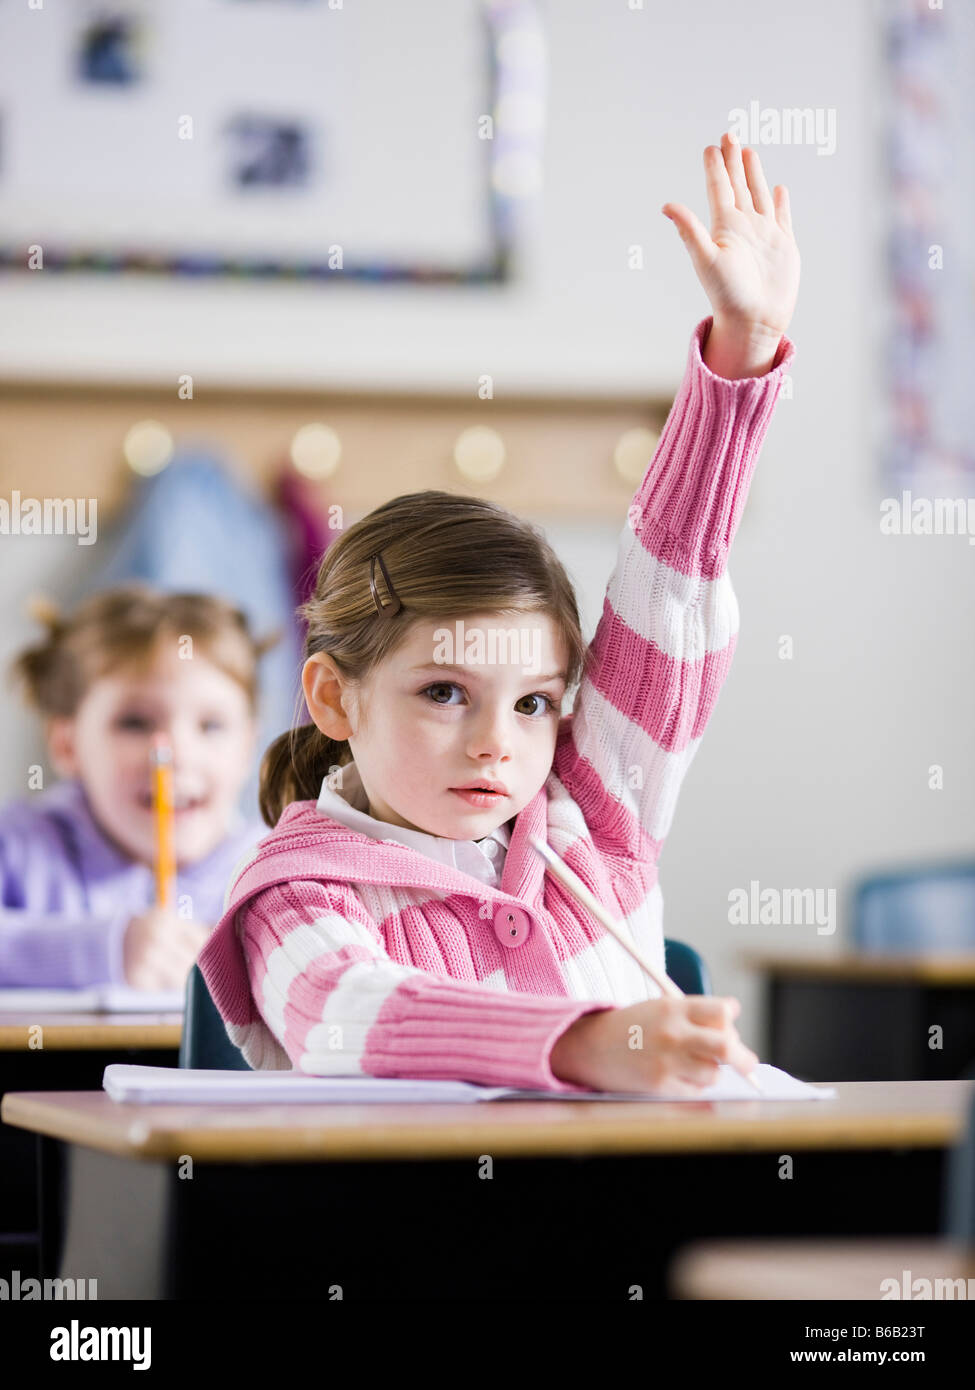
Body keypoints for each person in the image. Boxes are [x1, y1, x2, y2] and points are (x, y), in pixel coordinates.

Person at [200, 132, 800, 1093]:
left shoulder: (591, 810)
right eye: (444, 692)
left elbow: (673, 581)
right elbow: (344, 1011)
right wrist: (581, 1042)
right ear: (333, 696)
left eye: (533, 703)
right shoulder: (295, 888)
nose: (497, 744)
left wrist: (742, 354)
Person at [0, 584, 274, 989]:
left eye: (211, 726)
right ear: (67, 744)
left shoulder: (273, 871)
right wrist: (102, 950)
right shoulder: (19, 844)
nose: (176, 753)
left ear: (248, 748)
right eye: (135, 723)